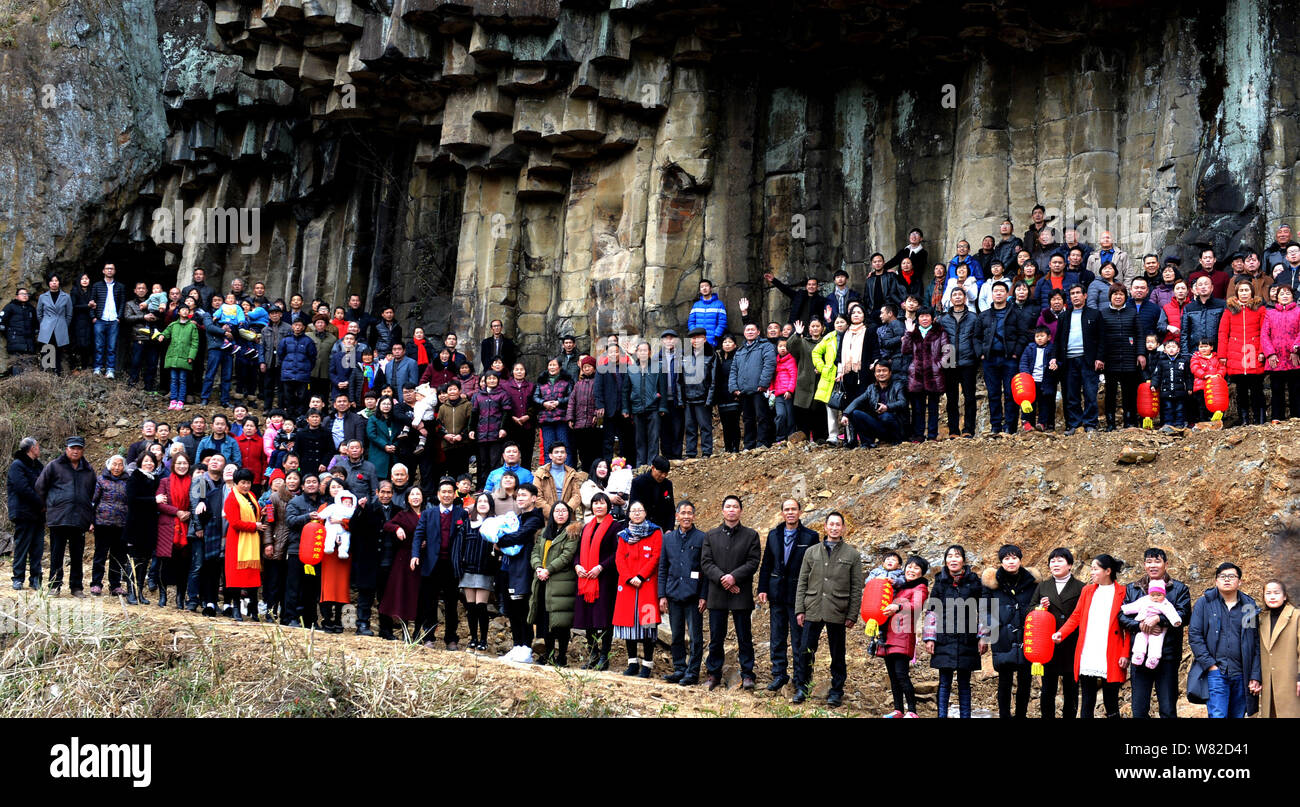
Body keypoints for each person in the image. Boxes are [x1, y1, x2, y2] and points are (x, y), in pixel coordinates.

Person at [791, 511, 862, 707]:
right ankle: (802, 687)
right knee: (805, 651)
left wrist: (852, 614)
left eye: (838, 524)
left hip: (838, 610)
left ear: (843, 528)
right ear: (825, 527)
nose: (834, 528)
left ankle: (836, 691)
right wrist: (800, 610)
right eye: (831, 524)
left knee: (837, 654)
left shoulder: (852, 555)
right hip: (813, 607)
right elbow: (802, 583)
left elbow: (856, 587)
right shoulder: (811, 552)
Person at [1117, 548, 1192, 718]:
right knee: (1139, 709)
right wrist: (1141, 625)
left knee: (1167, 708)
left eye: (1157, 561)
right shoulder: (1133, 588)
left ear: (1166, 564)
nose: (1153, 565)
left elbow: (1184, 615)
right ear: (1144, 565)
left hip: (1167, 656)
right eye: (1149, 562)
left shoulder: (1178, 589)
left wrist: (1159, 619)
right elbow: (1122, 615)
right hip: (1140, 655)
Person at [1053, 554, 1130, 718]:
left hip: (1111, 651)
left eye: (1095, 569)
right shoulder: (1087, 591)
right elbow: (1076, 616)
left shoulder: (1123, 593)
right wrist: (1061, 633)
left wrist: (1125, 653)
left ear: (1108, 571)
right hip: (1088, 650)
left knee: (1111, 700)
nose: (1091, 573)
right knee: (1087, 699)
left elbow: (1127, 627)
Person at [757, 498, 818, 692]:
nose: (790, 512)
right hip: (777, 594)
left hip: (799, 597)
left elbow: (814, 570)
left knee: (800, 640)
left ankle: (802, 680)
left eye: (793, 509)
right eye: (786, 509)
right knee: (777, 637)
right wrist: (762, 588)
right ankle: (779, 674)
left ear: (800, 512)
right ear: (782, 513)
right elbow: (766, 563)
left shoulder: (810, 537)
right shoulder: (774, 534)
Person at [701, 494, 761, 690]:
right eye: (728, 506)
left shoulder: (751, 535)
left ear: (741, 511)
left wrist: (734, 577)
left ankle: (748, 673)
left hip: (740, 592)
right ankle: (713, 673)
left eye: (735, 506)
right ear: (722, 511)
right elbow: (706, 562)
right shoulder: (711, 535)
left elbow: (753, 562)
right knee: (716, 636)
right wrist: (723, 579)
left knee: (744, 636)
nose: (732, 510)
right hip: (717, 593)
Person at [1188, 562, 1262, 718]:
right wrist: (1210, 665)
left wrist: (1255, 675)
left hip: (1242, 673)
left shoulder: (1248, 606)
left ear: (1240, 581)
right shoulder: (1205, 603)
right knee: (1217, 714)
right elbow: (1195, 636)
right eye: (1222, 576)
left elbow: (1255, 642)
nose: (1227, 580)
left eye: (1232, 576)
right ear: (1216, 581)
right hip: (1216, 671)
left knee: (1237, 715)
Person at [923, 544, 986, 717]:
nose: (953, 559)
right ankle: (942, 715)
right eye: (949, 556)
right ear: (945, 560)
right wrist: (930, 638)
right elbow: (932, 611)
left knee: (965, 683)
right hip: (944, 638)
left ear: (963, 560)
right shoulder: (940, 582)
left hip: (967, 638)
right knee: (944, 683)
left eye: (957, 556)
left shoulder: (974, 582)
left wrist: (983, 636)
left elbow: (984, 609)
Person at [35, 436, 95, 596]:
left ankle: (76, 587)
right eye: (72, 448)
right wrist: (47, 506)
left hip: (80, 518)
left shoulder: (88, 470)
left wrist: (89, 517)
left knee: (77, 555)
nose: (75, 451)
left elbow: (91, 495)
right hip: (59, 517)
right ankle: (54, 586)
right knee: (56, 553)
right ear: (66, 449)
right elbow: (40, 487)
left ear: (83, 450)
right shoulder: (54, 466)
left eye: (79, 448)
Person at [411, 478, 467, 650]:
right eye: (444, 492)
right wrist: (414, 555)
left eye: (450, 492)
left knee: (451, 603)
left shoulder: (461, 513)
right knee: (430, 602)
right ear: (438, 494)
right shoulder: (428, 513)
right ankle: (429, 637)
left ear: (454, 494)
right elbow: (418, 535)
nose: (447, 495)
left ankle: (451, 638)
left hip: (452, 565)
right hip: (431, 564)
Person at [983, 544, 1038, 718]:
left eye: (1014, 558)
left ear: (1021, 560)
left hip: (1027, 637)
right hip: (1002, 637)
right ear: (1001, 562)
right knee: (1004, 681)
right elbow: (985, 610)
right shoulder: (992, 584)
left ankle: (1021, 715)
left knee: (1025, 680)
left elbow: (1037, 607)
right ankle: (1004, 715)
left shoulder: (1032, 583)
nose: (1011, 562)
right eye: (1006, 558)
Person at [612, 500, 663, 677]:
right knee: (628, 624)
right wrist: (628, 577)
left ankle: (647, 664)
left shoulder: (655, 532)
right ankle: (632, 662)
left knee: (647, 625)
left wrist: (640, 576)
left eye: (640, 510)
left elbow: (656, 557)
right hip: (627, 586)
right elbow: (619, 558)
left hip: (647, 584)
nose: (636, 513)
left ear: (645, 513)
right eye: (633, 511)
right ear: (629, 514)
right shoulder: (623, 535)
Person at [658, 500, 706, 685]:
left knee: (695, 636)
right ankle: (679, 668)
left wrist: (703, 595)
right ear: (677, 516)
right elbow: (663, 568)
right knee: (677, 635)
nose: (686, 516)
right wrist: (662, 595)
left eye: (689, 513)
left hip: (693, 596)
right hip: (673, 593)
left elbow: (705, 570)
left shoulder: (702, 538)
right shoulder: (668, 539)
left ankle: (693, 672)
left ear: (694, 516)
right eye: (682, 513)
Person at [527, 500, 580, 665]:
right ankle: (548, 655)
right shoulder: (544, 532)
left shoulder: (572, 532)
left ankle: (562, 656)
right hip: (543, 581)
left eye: (564, 511)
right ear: (552, 514)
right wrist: (538, 568)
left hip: (561, 582)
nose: (560, 514)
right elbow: (535, 552)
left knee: (560, 622)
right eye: (557, 511)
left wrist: (548, 570)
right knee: (545, 620)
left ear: (569, 514)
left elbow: (566, 556)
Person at [574, 492, 623, 671]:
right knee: (588, 618)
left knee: (604, 618)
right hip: (585, 579)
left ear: (608, 506)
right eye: (595, 503)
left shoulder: (615, 527)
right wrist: (577, 565)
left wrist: (601, 567)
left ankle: (604, 656)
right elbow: (578, 551)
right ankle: (593, 654)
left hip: (604, 579)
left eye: (602, 503)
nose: (598, 506)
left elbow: (616, 553)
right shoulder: (587, 527)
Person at [1033, 547, 1083, 718]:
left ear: (1069, 565)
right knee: (1048, 689)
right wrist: (1041, 607)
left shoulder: (1081, 587)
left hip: (1072, 644)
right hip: (1048, 645)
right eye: (1052, 561)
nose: (1055, 564)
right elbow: (1030, 610)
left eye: (1060, 560)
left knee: (1071, 689)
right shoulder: (1043, 586)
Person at [877, 555, 929, 717]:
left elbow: (916, 605)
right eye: (909, 567)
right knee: (892, 676)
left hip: (903, 635)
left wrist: (897, 606)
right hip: (887, 634)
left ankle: (912, 711)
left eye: (916, 568)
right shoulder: (898, 586)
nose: (911, 570)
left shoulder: (920, 587)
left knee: (901, 674)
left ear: (921, 573)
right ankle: (898, 709)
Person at [1218, 279, 1267, 425]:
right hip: (1236, 353)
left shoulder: (1260, 309)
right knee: (1241, 390)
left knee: (1257, 389)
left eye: (1246, 290)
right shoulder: (1229, 311)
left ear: (1252, 292)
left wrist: (1262, 351)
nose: (1244, 293)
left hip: (1253, 352)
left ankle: (1260, 420)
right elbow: (1222, 333)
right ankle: (1244, 420)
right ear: (1236, 293)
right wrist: (1222, 355)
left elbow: (1264, 332)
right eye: (1241, 290)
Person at [222, 468, 266, 622]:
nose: (246, 486)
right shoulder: (231, 499)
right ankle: (236, 608)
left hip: (252, 542)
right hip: (237, 542)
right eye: (243, 483)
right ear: (236, 483)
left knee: (252, 576)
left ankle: (253, 609)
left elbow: (256, 514)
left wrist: (262, 513)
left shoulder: (252, 496)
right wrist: (255, 526)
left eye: (248, 483)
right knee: (236, 578)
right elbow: (234, 523)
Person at [938, 287, 979, 437]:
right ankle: (953, 430)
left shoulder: (974, 317)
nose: (957, 297)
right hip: (950, 362)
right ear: (951, 299)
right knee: (952, 398)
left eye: (960, 294)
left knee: (969, 397)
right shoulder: (943, 318)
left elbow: (977, 337)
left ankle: (968, 429)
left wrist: (976, 354)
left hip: (968, 361)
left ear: (965, 298)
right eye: (954, 295)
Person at [155, 452, 193, 609]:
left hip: (187, 525)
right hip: (167, 526)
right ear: (173, 465)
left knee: (183, 564)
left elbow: (199, 502)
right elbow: (160, 503)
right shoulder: (164, 481)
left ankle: (180, 597)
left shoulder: (195, 482)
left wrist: (188, 512)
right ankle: (162, 595)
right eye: (179, 464)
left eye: (185, 463)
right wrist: (177, 511)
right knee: (164, 562)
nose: (182, 466)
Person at [729, 322, 777, 449]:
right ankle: (748, 445)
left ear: (758, 332)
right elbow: (733, 370)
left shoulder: (766, 346)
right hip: (744, 391)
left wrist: (763, 384)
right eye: (747, 330)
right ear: (744, 333)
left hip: (759, 390)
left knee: (762, 417)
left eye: (752, 330)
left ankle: (763, 443)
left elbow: (769, 365)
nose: (750, 332)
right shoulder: (740, 350)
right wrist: (734, 388)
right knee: (747, 419)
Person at [903, 307, 947, 441]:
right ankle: (918, 435)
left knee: (933, 407)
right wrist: (908, 334)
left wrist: (938, 366)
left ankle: (933, 435)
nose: (924, 319)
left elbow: (948, 351)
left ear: (932, 318)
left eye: (927, 316)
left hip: (934, 375)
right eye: (921, 316)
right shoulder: (913, 331)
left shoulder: (940, 331)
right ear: (918, 318)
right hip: (916, 375)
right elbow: (905, 350)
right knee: (918, 408)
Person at [1258, 580, 1300, 718]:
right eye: (1268, 593)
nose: (1272, 596)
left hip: (1290, 681)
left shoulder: (1296, 616)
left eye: (1276, 593)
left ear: (1285, 596)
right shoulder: (1261, 619)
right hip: (1268, 682)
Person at [123, 452, 160, 604]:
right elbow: (131, 499)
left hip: (150, 524)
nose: (149, 464)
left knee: (145, 559)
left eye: (151, 461)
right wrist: (153, 500)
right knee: (134, 558)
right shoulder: (135, 477)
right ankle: (130, 592)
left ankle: (139, 592)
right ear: (140, 463)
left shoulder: (155, 478)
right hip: (135, 523)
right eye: (146, 461)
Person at [7, 437, 44, 590]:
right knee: (22, 546)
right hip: (23, 513)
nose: (39, 449)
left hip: (38, 514)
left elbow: (45, 485)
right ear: (32, 448)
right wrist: (42, 503)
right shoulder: (17, 466)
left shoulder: (38, 466)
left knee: (37, 547)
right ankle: (18, 578)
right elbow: (23, 489)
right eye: (38, 447)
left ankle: (36, 579)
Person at [1262, 284, 1300, 421]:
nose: (1284, 296)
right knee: (1276, 389)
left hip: (1294, 358)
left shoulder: (1298, 311)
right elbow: (1264, 335)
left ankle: (1297, 417)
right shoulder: (1270, 313)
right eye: (1281, 293)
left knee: (1295, 389)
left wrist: (1296, 347)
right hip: (1276, 358)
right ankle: (1277, 417)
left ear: (1292, 296)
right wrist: (1270, 353)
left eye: (1287, 293)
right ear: (1276, 297)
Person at [90, 263, 126, 378]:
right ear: (103, 271)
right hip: (100, 319)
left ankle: (110, 370)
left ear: (114, 271)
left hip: (114, 320)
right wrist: (93, 317)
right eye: (107, 269)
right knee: (98, 346)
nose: (109, 270)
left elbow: (122, 303)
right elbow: (91, 302)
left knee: (112, 346)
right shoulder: (97, 285)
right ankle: (97, 368)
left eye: (112, 269)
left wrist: (119, 317)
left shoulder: (120, 286)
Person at [534, 441, 585, 520]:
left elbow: (576, 496)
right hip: (547, 518)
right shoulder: (541, 473)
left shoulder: (572, 473)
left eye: (562, 452)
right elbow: (537, 497)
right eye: (556, 452)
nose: (559, 455)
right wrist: (552, 514)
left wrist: (565, 511)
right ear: (550, 455)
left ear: (566, 455)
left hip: (568, 517)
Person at [37, 274, 74, 375]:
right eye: (52, 281)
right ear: (48, 283)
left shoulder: (66, 297)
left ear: (59, 283)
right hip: (46, 327)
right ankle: (45, 374)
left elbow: (69, 314)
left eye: (56, 281)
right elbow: (39, 314)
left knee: (58, 351)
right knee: (46, 350)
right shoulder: (42, 297)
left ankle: (57, 374)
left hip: (60, 326)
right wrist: (44, 324)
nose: (54, 283)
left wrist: (64, 325)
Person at [712, 334, 742, 452]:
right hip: (721, 395)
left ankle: (736, 447)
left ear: (735, 345)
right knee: (725, 424)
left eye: (730, 342)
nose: (727, 344)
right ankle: (728, 448)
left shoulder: (738, 357)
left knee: (734, 422)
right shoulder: (718, 358)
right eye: (725, 342)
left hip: (734, 394)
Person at [687, 279, 728, 345]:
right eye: (702, 287)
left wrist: (716, 335)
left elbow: (722, 322)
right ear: (700, 290)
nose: (704, 288)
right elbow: (691, 322)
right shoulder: (696, 305)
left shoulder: (719, 304)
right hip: (698, 340)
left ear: (711, 288)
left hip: (713, 341)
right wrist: (695, 334)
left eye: (706, 286)